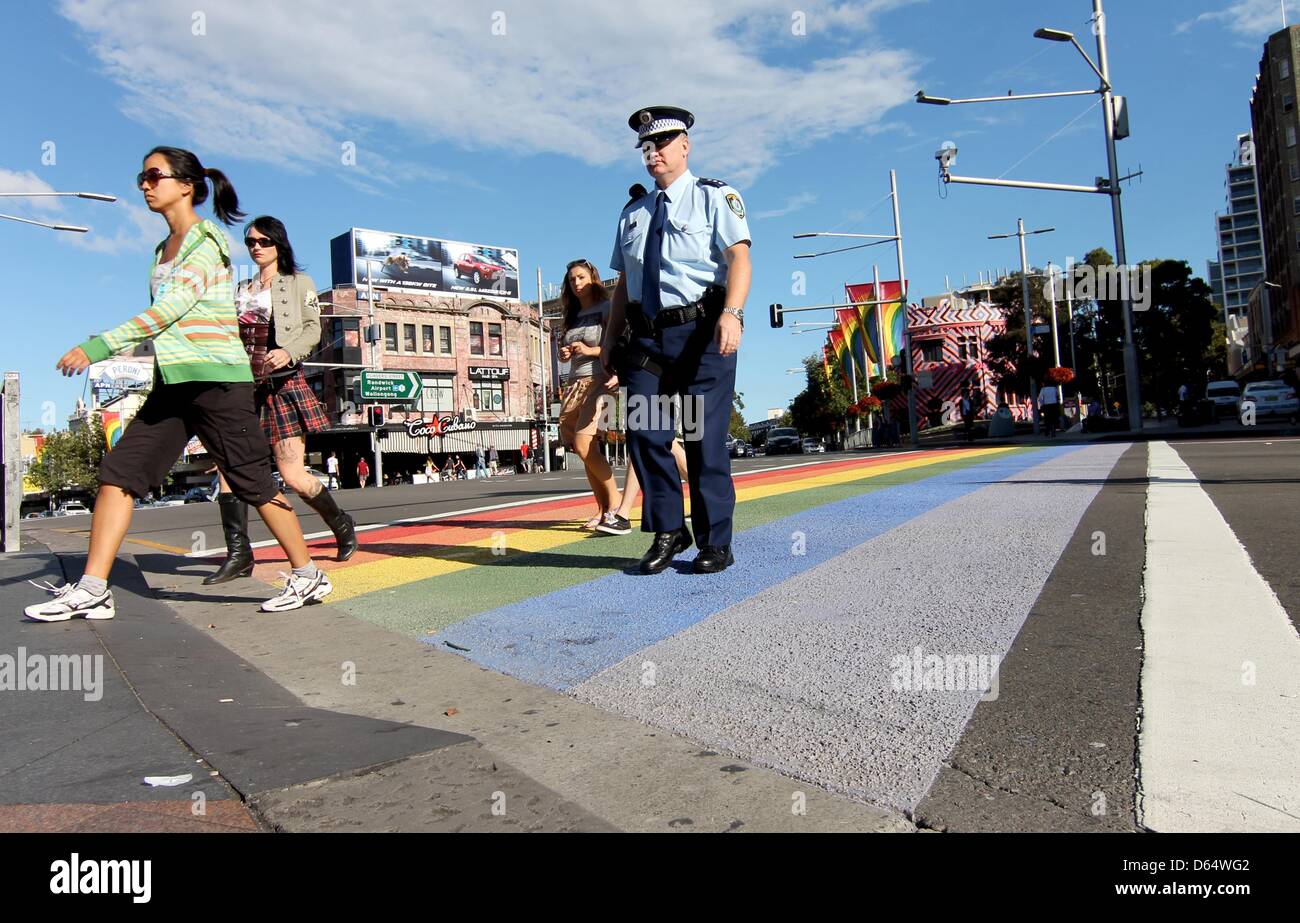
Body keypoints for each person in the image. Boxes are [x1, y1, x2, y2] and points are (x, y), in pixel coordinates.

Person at [26, 146, 330, 620]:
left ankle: (308, 575)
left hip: (217, 382)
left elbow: (172, 310)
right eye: (141, 178)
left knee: (252, 481)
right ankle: (93, 588)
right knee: (117, 474)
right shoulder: (160, 250)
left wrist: (99, 346)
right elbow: (167, 325)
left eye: (153, 175)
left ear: (186, 185)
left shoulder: (205, 240)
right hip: (173, 383)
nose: (144, 185)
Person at [601, 106, 751, 575]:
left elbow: (739, 259)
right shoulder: (633, 213)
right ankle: (669, 530)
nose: (654, 154)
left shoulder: (715, 197)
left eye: (662, 144)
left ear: (684, 146)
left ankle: (714, 541)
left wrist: (732, 313)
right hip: (647, 339)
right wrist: (608, 344)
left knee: (704, 439)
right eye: (646, 147)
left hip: (703, 333)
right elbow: (623, 284)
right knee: (645, 434)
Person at [203, 216, 357, 585]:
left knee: (293, 475)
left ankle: (342, 523)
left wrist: (288, 352)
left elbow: (313, 329)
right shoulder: (241, 289)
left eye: (263, 241)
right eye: (250, 242)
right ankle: (239, 554)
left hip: (282, 383)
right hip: (242, 388)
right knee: (229, 470)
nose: (256, 247)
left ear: (278, 245)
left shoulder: (298, 283)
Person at [558, 259, 622, 530]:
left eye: (581, 277)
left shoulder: (607, 308)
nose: (577, 284)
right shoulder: (571, 316)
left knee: (584, 445)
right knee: (586, 451)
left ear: (593, 278)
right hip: (574, 383)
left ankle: (616, 502)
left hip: (599, 380)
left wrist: (590, 350)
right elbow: (568, 352)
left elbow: (614, 345)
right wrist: (564, 353)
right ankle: (601, 508)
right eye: (572, 280)